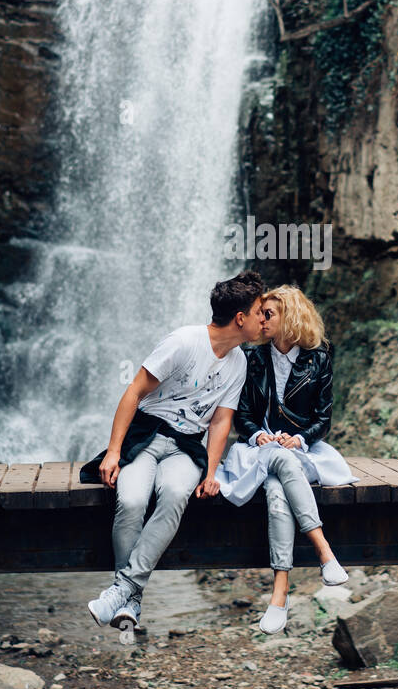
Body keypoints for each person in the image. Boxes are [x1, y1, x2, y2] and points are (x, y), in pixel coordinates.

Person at [82, 270, 266, 630]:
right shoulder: (183, 342)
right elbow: (134, 391)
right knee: (131, 500)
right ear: (240, 318)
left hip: (186, 447)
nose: (264, 319)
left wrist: (211, 472)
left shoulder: (239, 362)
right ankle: (131, 599)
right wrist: (114, 451)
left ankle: (122, 591)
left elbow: (220, 422)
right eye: (259, 312)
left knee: (175, 494)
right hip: (145, 437)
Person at [216, 284, 355, 634]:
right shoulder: (252, 357)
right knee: (278, 462)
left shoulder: (319, 358)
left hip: (301, 451)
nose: (260, 320)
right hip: (256, 450)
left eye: (268, 314)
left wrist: (299, 438)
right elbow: (242, 414)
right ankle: (324, 551)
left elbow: (323, 418)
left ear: (289, 317)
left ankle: (280, 593)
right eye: (260, 314)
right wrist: (257, 435)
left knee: (277, 487)